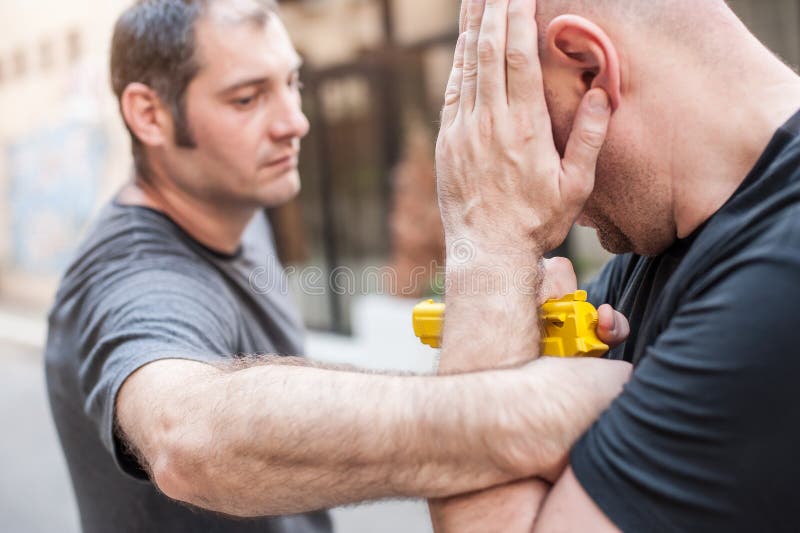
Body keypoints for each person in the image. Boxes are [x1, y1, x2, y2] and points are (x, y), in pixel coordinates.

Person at [44, 1, 634, 532]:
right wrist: (534, 408)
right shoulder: (131, 274)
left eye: (292, 83)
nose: (293, 121)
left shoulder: (236, 208)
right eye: (247, 98)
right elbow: (186, 439)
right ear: (149, 115)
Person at [429, 0, 800, 531]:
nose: (536, 182)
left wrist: (488, 232)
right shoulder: (658, 248)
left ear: (588, 68)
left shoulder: (779, 282)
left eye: (515, 126)